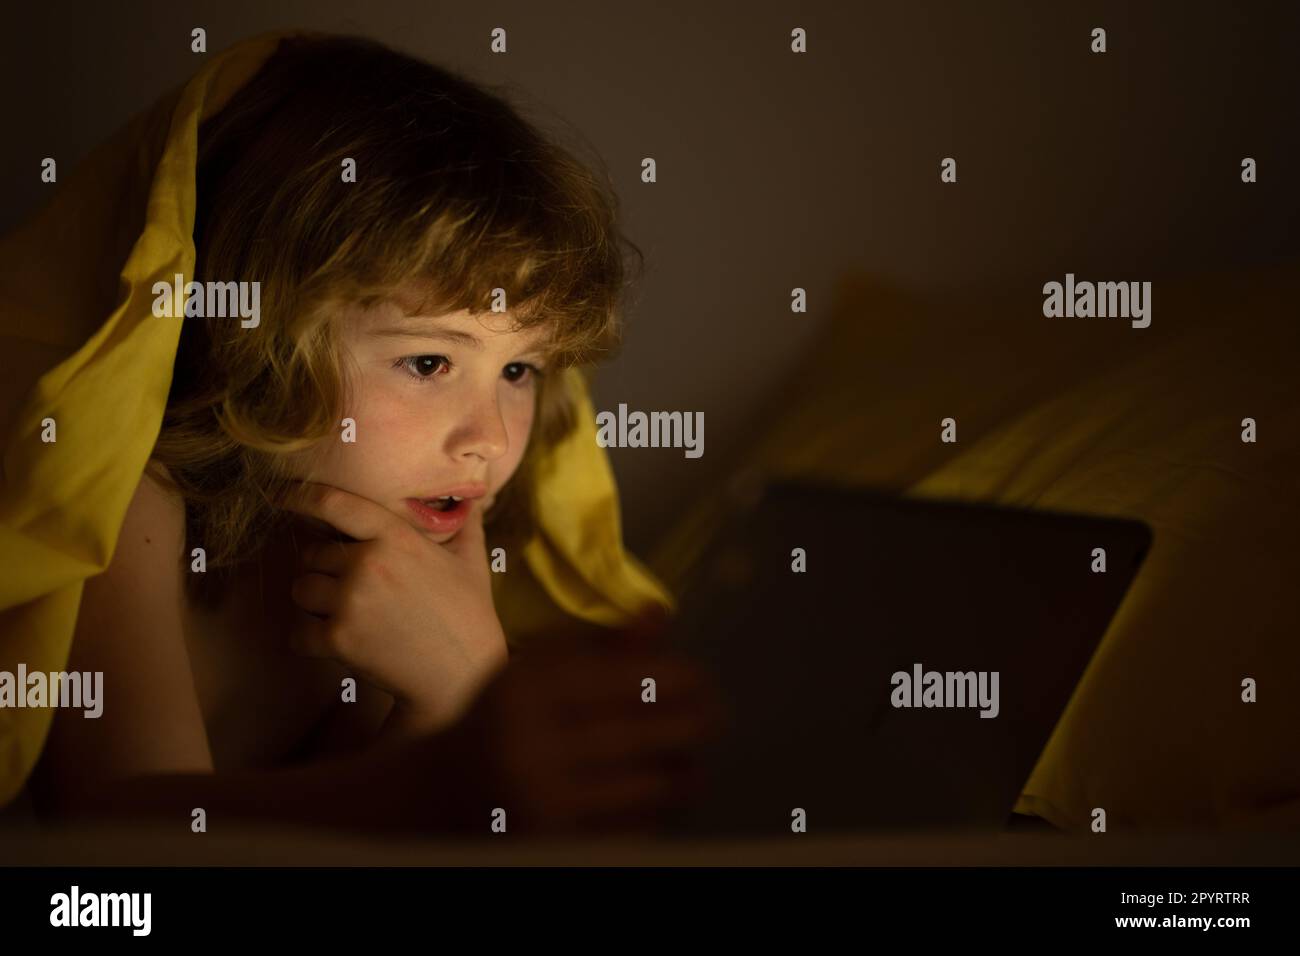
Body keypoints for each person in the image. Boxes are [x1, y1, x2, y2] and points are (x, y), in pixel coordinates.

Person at [22, 32, 724, 837]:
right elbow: (129, 854)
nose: (489, 440)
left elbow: (363, 836)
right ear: (256, 340)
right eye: (428, 362)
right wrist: (465, 713)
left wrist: (454, 692)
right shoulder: (128, 502)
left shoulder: (389, 557)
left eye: (520, 371)